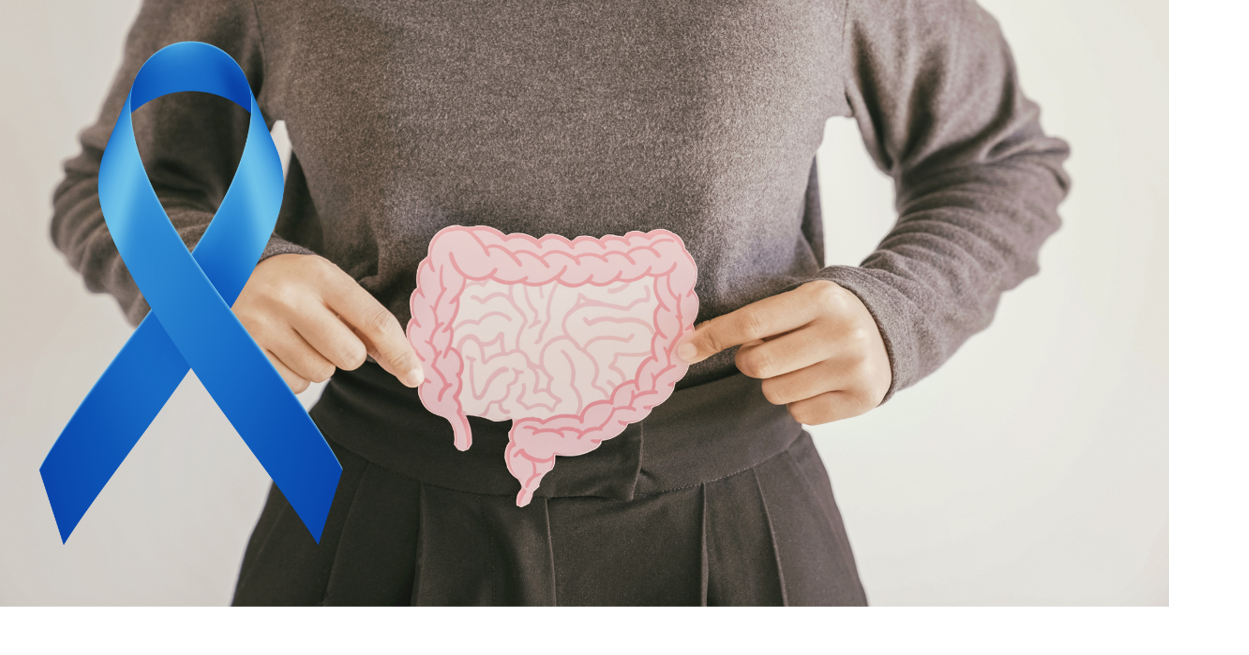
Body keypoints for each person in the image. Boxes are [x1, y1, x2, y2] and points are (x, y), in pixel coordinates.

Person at [52, 0, 1069, 605]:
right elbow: (131, 182)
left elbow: (996, 161)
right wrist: (214, 284)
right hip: (377, 519)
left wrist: (903, 308)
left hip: (739, 522)